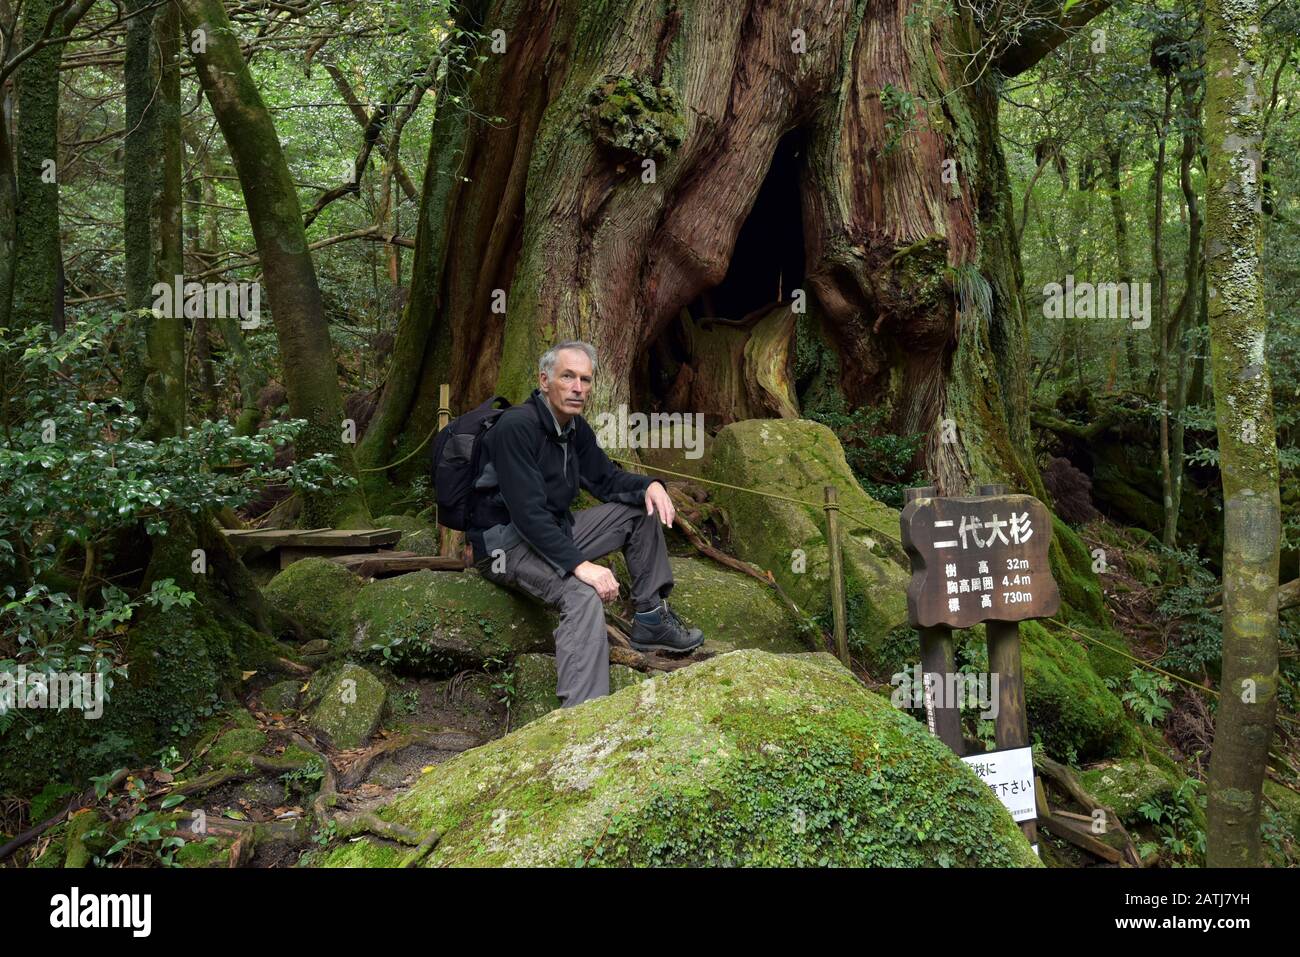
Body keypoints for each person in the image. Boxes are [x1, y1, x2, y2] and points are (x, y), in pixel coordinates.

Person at [468, 340, 704, 707]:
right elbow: (527, 516)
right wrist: (582, 567)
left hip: (554, 531)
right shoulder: (517, 428)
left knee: (639, 510)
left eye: (585, 379)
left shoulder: (574, 428)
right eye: (568, 377)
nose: (578, 388)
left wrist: (650, 485)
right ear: (544, 380)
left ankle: (651, 619)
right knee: (581, 594)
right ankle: (583, 712)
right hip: (507, 545)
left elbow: (606, 480)